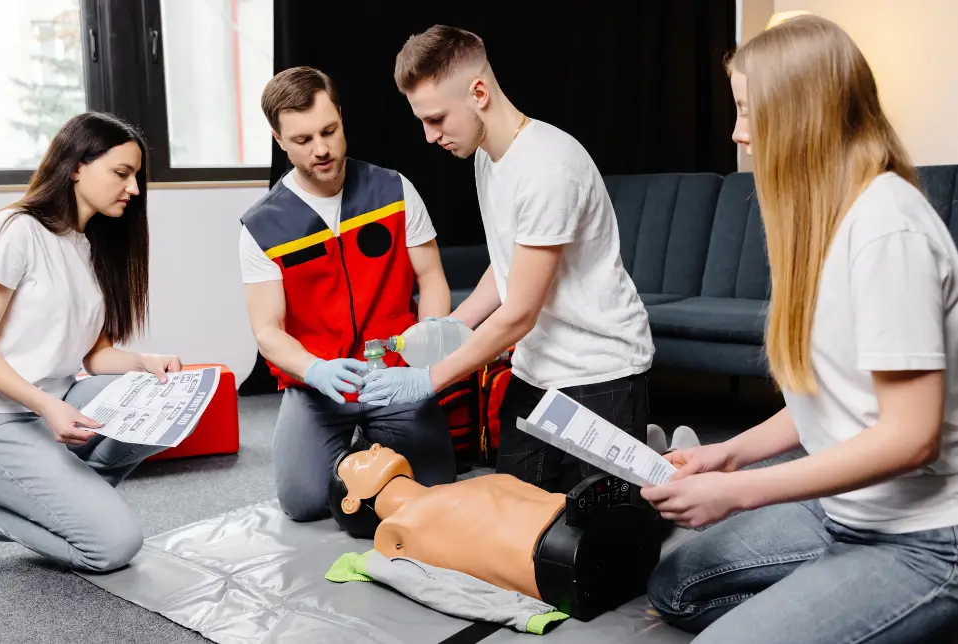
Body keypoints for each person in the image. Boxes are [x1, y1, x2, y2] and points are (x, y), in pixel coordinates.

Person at [642, 16, 958, 643]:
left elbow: (911, 436)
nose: (738, 133)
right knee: (674, 586)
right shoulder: (825, 220)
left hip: (925, 537)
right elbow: (829, 398)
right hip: (842, 509)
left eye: (748, 112)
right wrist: (725, 454)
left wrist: (740, 492)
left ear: (801, 115)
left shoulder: (888, 230)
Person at [362, 25, 654, 495]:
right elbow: (507, 265)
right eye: (422, 121)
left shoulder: (547, 168)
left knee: (602, 527)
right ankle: (641, 455)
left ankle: (652, 457)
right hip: (536, 367)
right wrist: (451, 326)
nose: (429, 136)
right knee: (513, 514)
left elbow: (519, 312)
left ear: (478, 93)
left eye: (436, 119)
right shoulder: (487, 156)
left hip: (601, 368)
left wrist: (428, 380)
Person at [0, 112, 182, 573]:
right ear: (76, 167)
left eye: (136, 177)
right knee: (113, 547)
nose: (134, 189)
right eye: (122, 173)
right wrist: (46, 406)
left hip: (57, 402)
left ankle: (66, 497)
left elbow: (95, 355)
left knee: (160, 397)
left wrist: (145, 362)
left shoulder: (90, 247)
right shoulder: (14, 230)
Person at [240, 66, 457, 522]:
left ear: (341, 117)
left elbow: (432, 280)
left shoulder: (395, 190)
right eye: (302, 140)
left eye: (328, 131)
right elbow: (267, 331)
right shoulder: (261, 227)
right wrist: (314, 370)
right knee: (303, 502)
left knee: (434, 489)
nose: (320, 150)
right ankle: (358, 452)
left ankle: (371, 446)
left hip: (396, 374)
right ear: (279, 140)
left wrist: (425, 353)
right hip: (319, 385)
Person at [326, 434, 696, 621]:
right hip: (567, 559)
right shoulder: (394, 533)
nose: (375, 446)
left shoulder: (451, 490)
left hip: (586, 526)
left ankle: (660, 468)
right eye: (360, 460)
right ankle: (663, 468)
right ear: (351, 502)